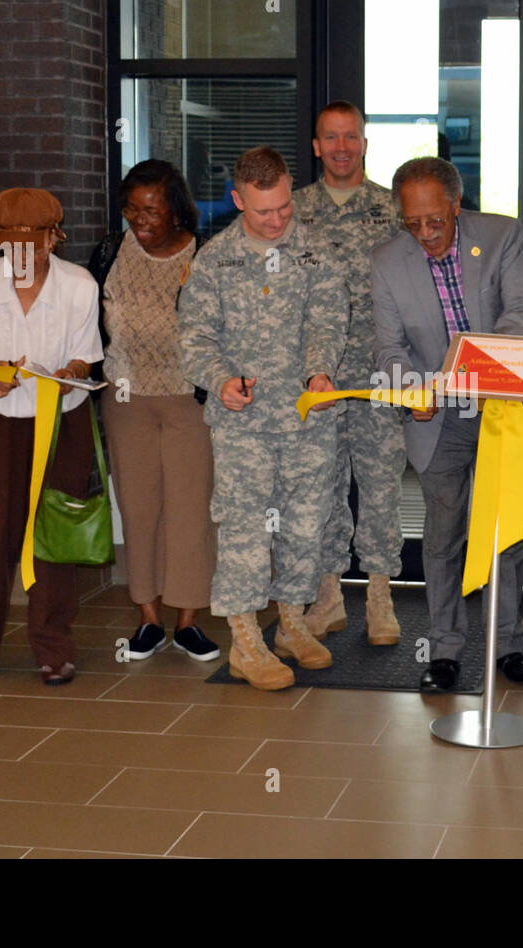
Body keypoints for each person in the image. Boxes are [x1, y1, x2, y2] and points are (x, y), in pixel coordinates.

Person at [371, 156, 523, 693]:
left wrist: (481, 366)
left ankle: (507, 647)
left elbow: (521, 311)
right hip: (440, 421)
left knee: (503, 533)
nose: (425, 234)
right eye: (412, 223)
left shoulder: (500, 236)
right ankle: (446, 649)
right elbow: (389, 347)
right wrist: (410, 388)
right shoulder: (386, 261)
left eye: (436, 221)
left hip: (502, 407)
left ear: (457, 205)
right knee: (443, 536)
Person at [178, 147, 347, 692]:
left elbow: (328, 321)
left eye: (283, 209)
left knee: (304, 525)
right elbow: (195, 338)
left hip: (306, 420)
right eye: (262, 212)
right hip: (243, 427)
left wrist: (322, 371)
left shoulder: (315, 252)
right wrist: (219, 379)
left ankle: (291, 622)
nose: (276, 221)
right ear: (238, 201)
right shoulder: (214, 261)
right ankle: (246, 638)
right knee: (246, 532)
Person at [0, 187, 102, 686]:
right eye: (9, 245)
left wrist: (69, 369)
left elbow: (86, 358)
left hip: (60, 423)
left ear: (54, 239)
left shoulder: (79, 285)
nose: (20, 256)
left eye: (31, 246)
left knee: (52, 537)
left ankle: (54, 648)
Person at [88, 160, 219, 664]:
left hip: (189, 401)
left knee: (190, 512)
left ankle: (187, 621)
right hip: (126, 400)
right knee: (139, 510)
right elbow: (88, 321)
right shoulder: (107, 253)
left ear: (177, 211)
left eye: (152, 211)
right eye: (131, 210)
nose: (140, 221)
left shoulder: (205, 256)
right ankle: (147, 617)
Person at [292, 101, 404, 646]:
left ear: (364, 144)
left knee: (381, 488)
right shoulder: (291, 212)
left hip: (378, 376)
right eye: (330, 137)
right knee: (323, 490)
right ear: (316, 146)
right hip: (317, 381)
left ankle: (380, 598)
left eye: (350, 137)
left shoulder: (392, 210)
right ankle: (329, 595)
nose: (340, 147)